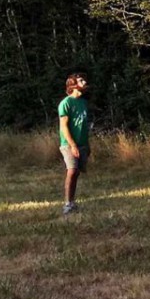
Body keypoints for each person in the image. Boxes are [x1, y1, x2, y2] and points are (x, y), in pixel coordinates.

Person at [58, 73, 91, 215]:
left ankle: (72, 201)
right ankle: (67, 204)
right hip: (68, 144)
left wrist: (87, 144)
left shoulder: (83, 103)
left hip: (82, 143)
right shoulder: (66, 103)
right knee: (71, 171)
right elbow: (64, 126)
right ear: (73, 85)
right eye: (81, 80)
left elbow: (84, 126)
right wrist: (72, 145)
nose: (85, 82)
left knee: (77, 172)